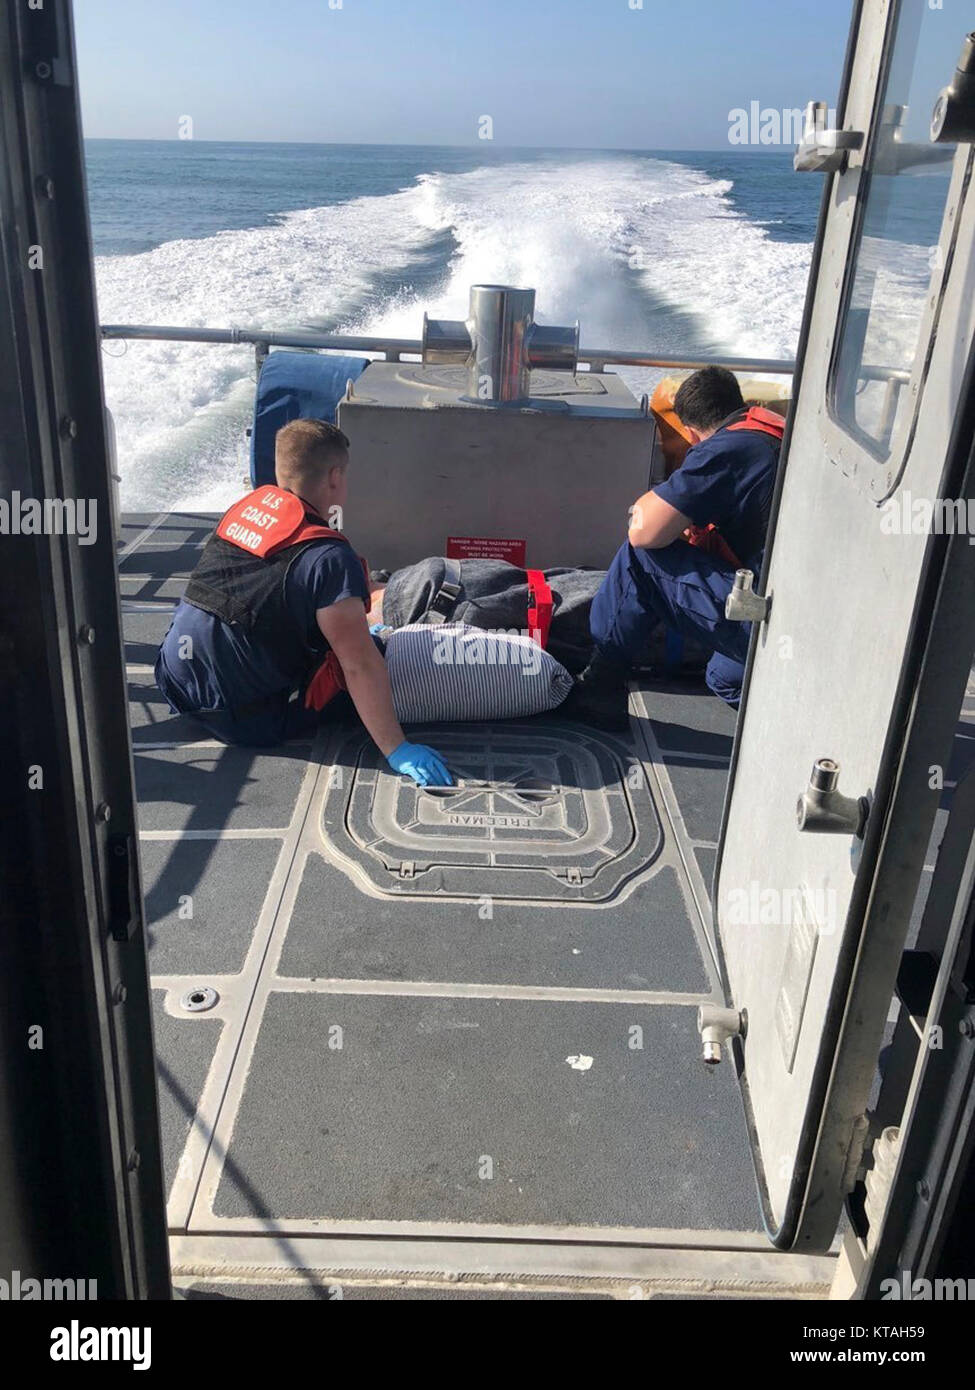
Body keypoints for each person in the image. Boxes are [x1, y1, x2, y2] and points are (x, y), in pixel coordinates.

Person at [155, 418, 451, 787]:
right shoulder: (328, 556)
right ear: (334, 478)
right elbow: (358, 665)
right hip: (240, 719)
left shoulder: (242, 511)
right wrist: (396, 748)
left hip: (174, 681)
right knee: (373, 653)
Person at [565, 365, 784, 728]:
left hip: (769, 615)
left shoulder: (727, 448)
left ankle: (600, 686)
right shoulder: (772, 433)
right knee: (723, 677)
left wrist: (643, 510)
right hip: (804, 615)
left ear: (693, 434)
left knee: (641, 559)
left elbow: (644, 534)